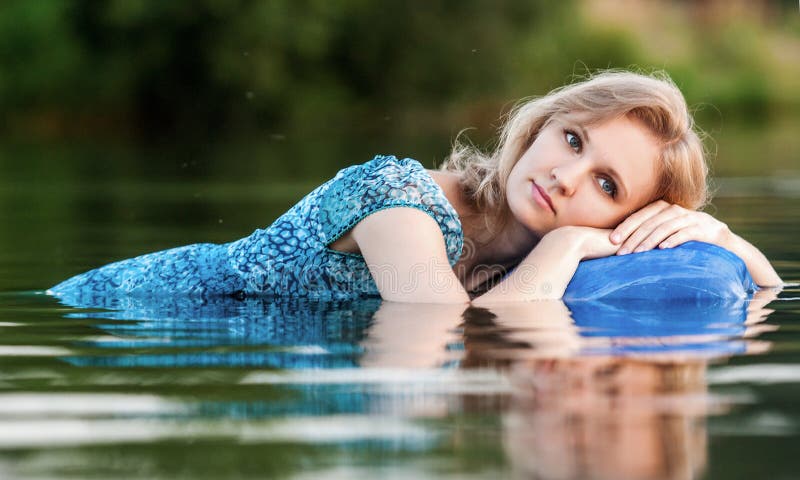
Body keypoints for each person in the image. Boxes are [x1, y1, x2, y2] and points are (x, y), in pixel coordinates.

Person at [49, 70, 781, 306]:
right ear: (540, 126)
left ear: (634, 215)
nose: (564, 173)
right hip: (139, 308)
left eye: (605, 182)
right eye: (572, 138)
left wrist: (720, 237)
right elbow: (444, 322)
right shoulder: (402, 199)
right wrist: (569, 244)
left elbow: (770, 295)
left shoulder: (516, 257)